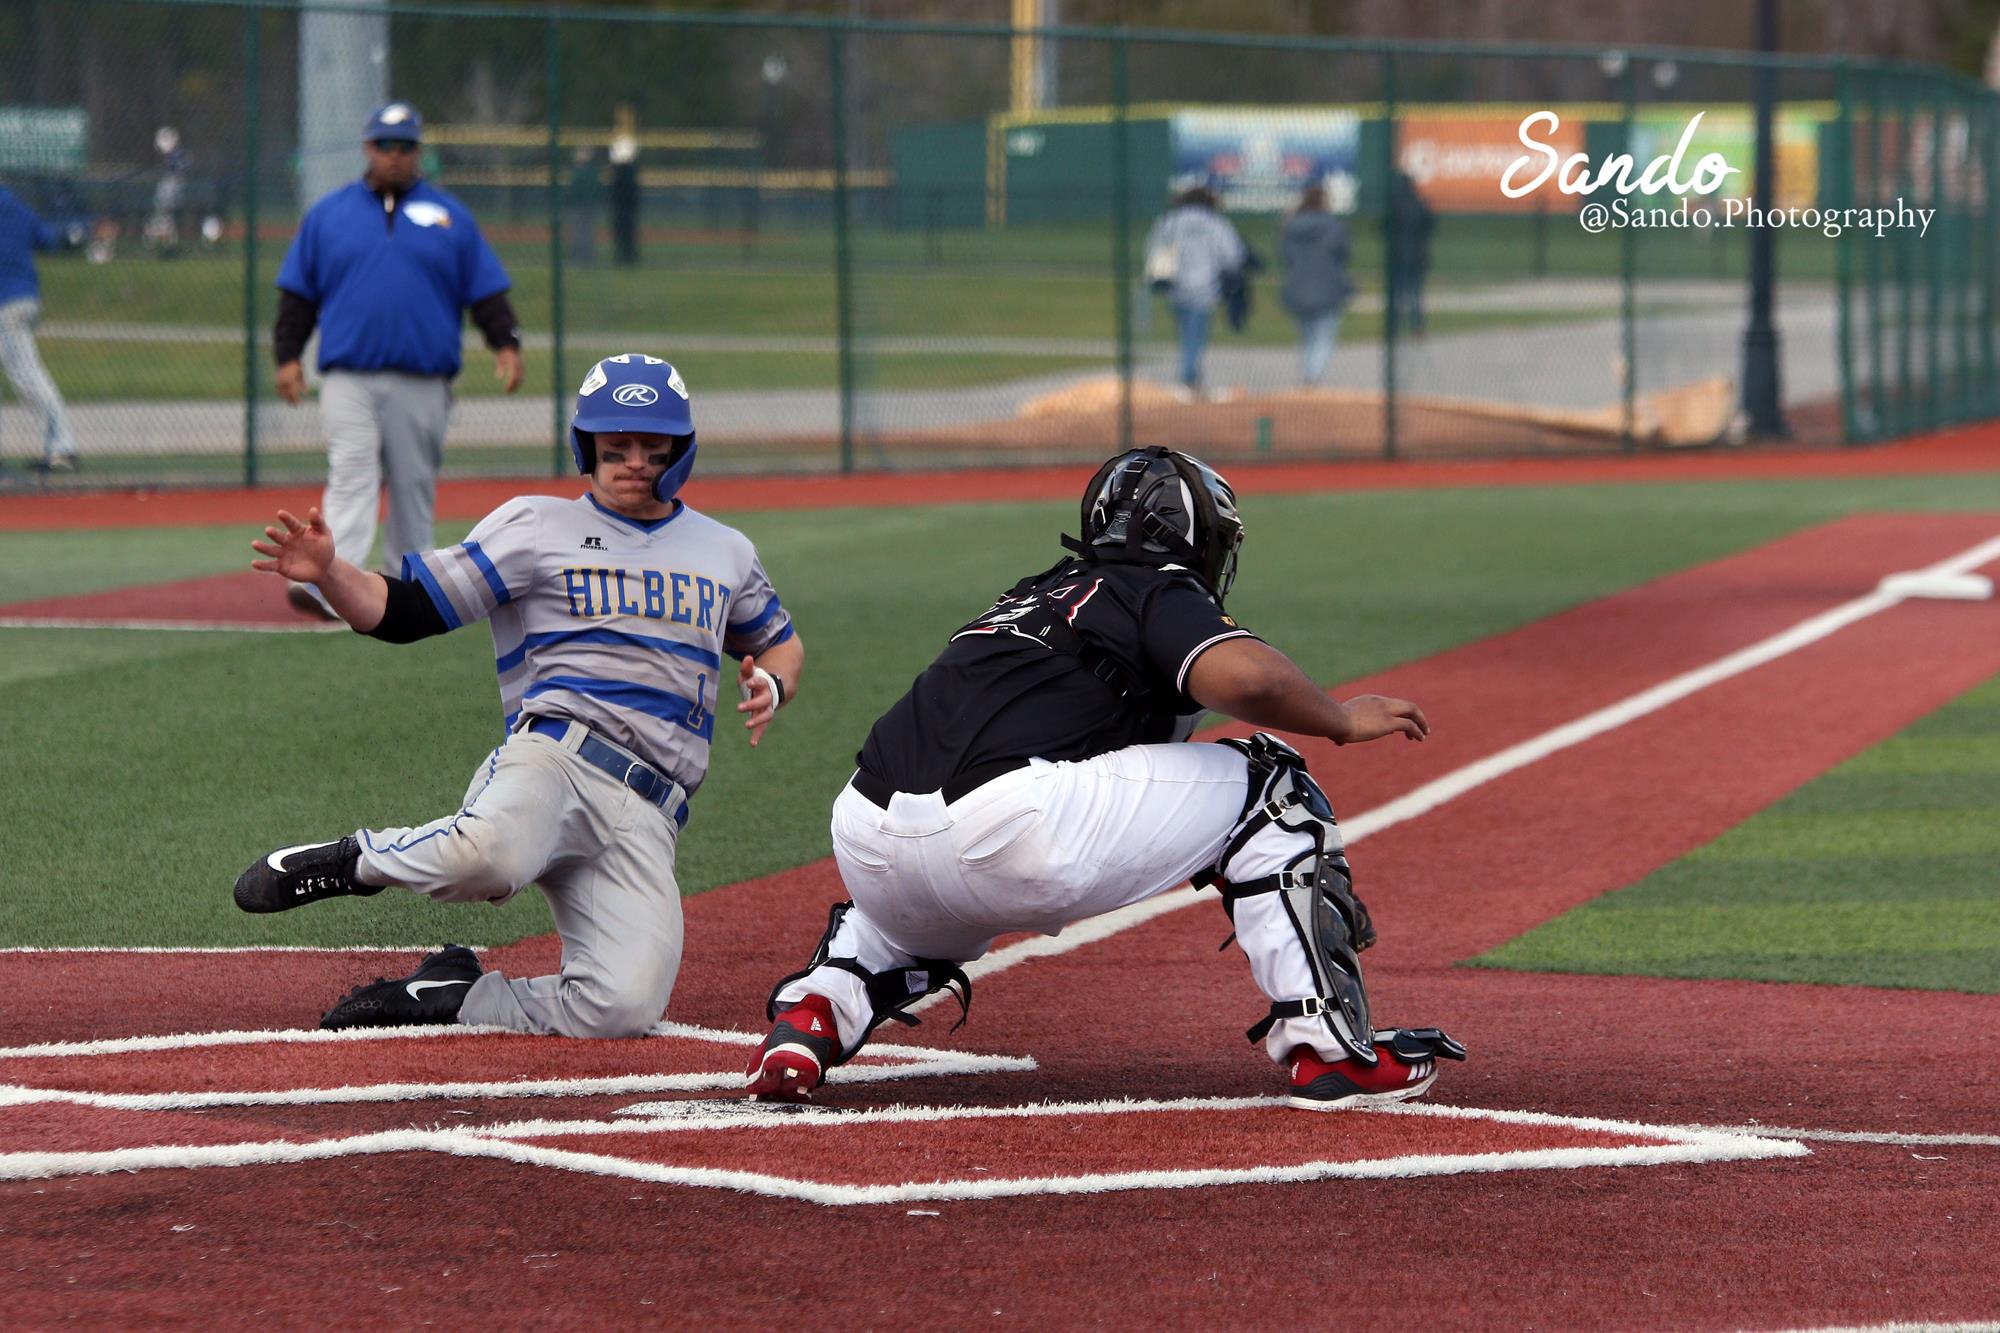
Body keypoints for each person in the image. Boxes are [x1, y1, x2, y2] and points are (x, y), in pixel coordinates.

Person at [745, 446, 1463, 1111]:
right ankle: (1331, 1047)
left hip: (866, 834)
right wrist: (1340, 717)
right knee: (1274, 788)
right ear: (1199, 540)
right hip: (1006, 827)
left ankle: (816, 1008)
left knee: (919, 900)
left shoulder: (1032, 594)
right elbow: (1246, 675)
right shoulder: (1152, 584)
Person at [233, 354, 804, 1038]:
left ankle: (454, 995)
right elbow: (410, 609)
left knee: (622, 1008)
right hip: (556, 758)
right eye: (613, 447)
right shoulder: (536, 526)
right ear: (584, 447)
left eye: (651, 449)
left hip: (652, 811)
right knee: (490, 858)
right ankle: (351, 861)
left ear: (680, 453)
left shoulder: (726, 550)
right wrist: (331, 573)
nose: (630, 462)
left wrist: (770, 679)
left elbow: (780, 644)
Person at [272, 101, 525, 621]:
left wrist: (506, 343)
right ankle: (328, 583)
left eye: (404, 145)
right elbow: (298, 295)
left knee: (413, 483)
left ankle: (411, 588)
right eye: (384, 145)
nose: (394, 155)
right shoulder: (329, 215)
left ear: (418, 151)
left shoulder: (449, 217)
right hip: (348, 376)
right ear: (367, 148)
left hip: (423, 379)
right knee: (351, 473)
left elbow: (484, 291)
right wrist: (287, 356)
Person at [0, 183, 79, 473]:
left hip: (6, 304)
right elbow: (48, 239)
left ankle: (62, 447)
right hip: (26, 300)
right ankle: (60, 446)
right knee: (27, 375)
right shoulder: (18, 208)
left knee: (28, 376)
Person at [1143, 180, 1247, 402]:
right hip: (1205, 288)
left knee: (1185, 335)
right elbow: (1233, 256)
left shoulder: (1170, 221)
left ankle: (1190, 380)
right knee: (1195, 337)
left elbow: (1154, 249)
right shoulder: (1216, 223)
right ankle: (1188, 381)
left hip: (1176, 287)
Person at [1280, 182, 1353, 386]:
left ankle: (1308, 377)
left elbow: (1285, 257)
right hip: (1328, 287)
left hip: (1297, 288)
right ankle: (1311, 378)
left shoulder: (1290, 226)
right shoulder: (1333, 226)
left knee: (1308, 339)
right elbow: (1344, 254)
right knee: (1323, 340)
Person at [1388, 169, 1435, 338]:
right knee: (1415, 294)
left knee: (1398, 295)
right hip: (1416, 255)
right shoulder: (1419, 204)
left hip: (1399, 255)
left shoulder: (1394, 206)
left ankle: (1394, 328)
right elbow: (1429, 227)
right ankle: (1417, 327)